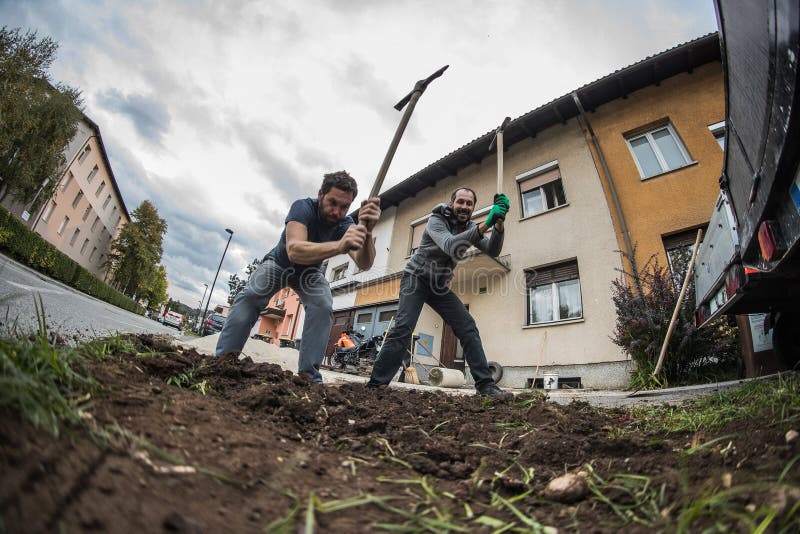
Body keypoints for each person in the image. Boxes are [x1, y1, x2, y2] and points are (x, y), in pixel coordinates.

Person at [215, 171, 381, 383]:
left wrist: (368, 232)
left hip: (309, 272)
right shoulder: (303, 208)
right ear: (320, 194)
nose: (336, 211)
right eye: (332, 203)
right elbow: (294, 250)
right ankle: (223, 361)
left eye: (344, 207)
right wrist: (340, 246)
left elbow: (365, 263)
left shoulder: (344, 224)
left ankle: (309, 378)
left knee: (322, 305)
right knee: (251, 296)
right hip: (280, 263)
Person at [367, 187, 511, 398]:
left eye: (469, 203)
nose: (464, 206)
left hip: (439, 286)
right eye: (460, 202)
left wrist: (499, 224)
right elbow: (450, 245)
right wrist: (487, 223)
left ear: (473, 207)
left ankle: (486, 386)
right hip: (416, 278)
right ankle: (376, 385)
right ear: (452, 203)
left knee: (467, 326)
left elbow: (493, 250)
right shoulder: (436, 220)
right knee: (403, 327)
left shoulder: (470, 227)